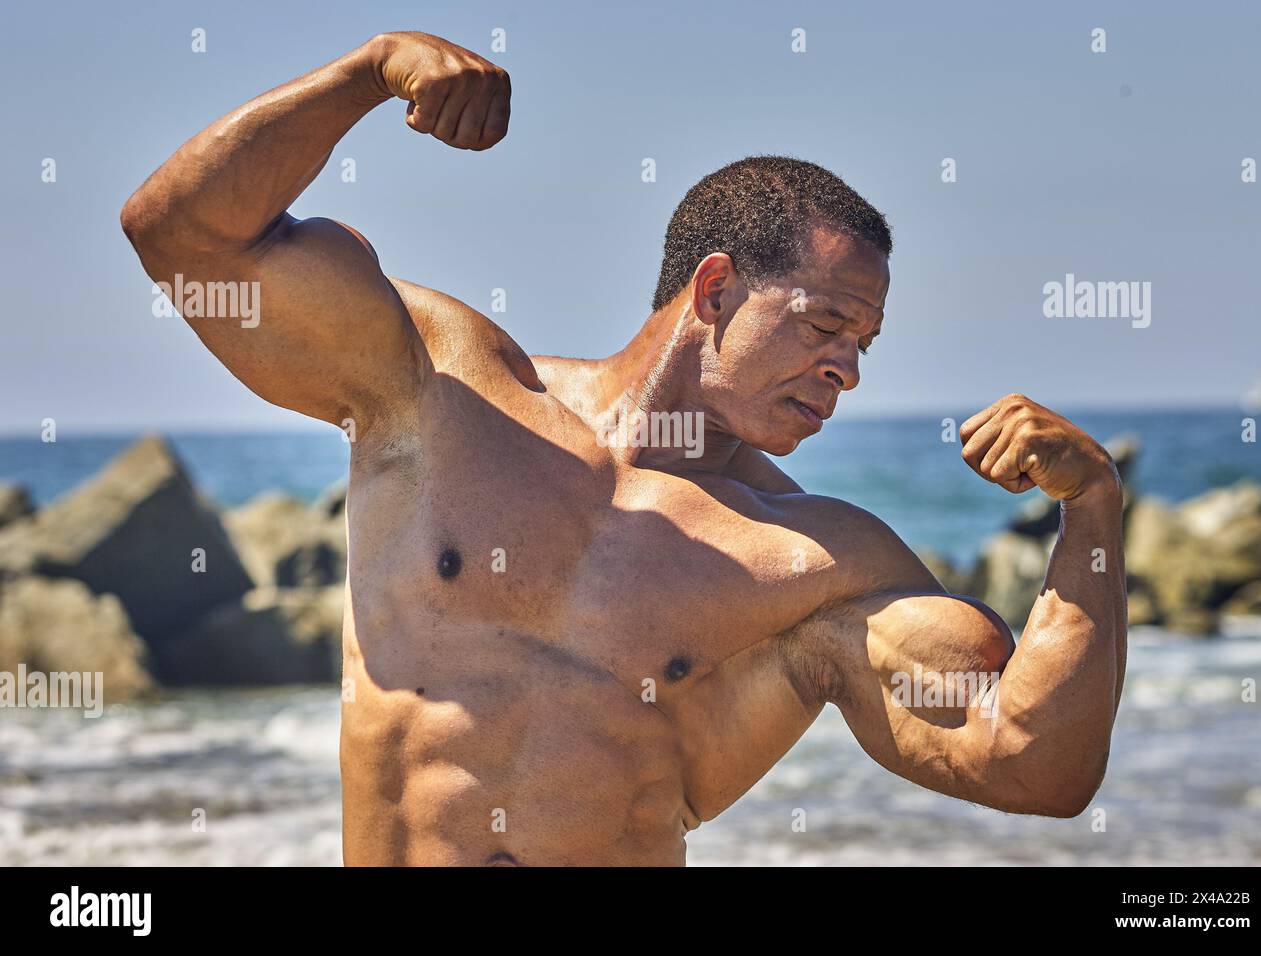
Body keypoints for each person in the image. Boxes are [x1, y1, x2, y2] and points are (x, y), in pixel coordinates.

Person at [121, 31, 1127, 866]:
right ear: (715, 290)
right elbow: (183, 237)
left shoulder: (818, 560)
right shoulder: (438, 387)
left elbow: (1030, 764)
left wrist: (1092, 511)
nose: (848, 371)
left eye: (864, 344)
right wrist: (367, 72)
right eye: (826, 325)